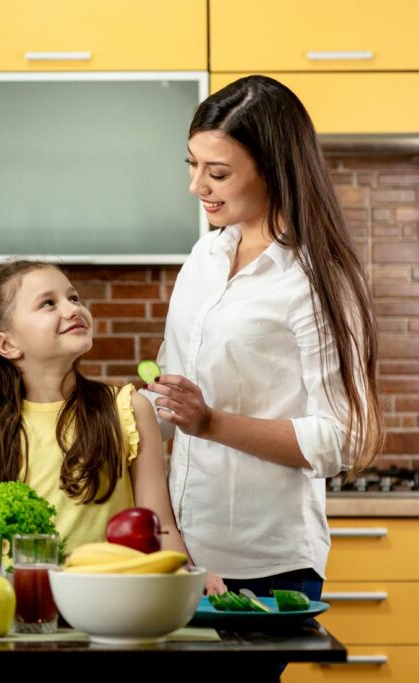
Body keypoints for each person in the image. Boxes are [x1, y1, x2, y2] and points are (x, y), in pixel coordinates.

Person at [146, 75, 384, 602]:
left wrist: (210, 422)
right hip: (182, 553)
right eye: (192, 165)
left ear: (274, 170)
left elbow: (342, 438)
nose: (196, 186)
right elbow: (170, 395)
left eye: (218, 173)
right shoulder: (204, 257)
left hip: (267, 562)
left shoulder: (317, 279)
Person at [0, 260, 223, 592]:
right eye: (48, 303)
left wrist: (187, 574)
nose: (73, 309)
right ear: (6, 344)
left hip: (110, 599)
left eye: (73, 298)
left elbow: (160, 525)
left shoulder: (128, 409)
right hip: (23, 599)